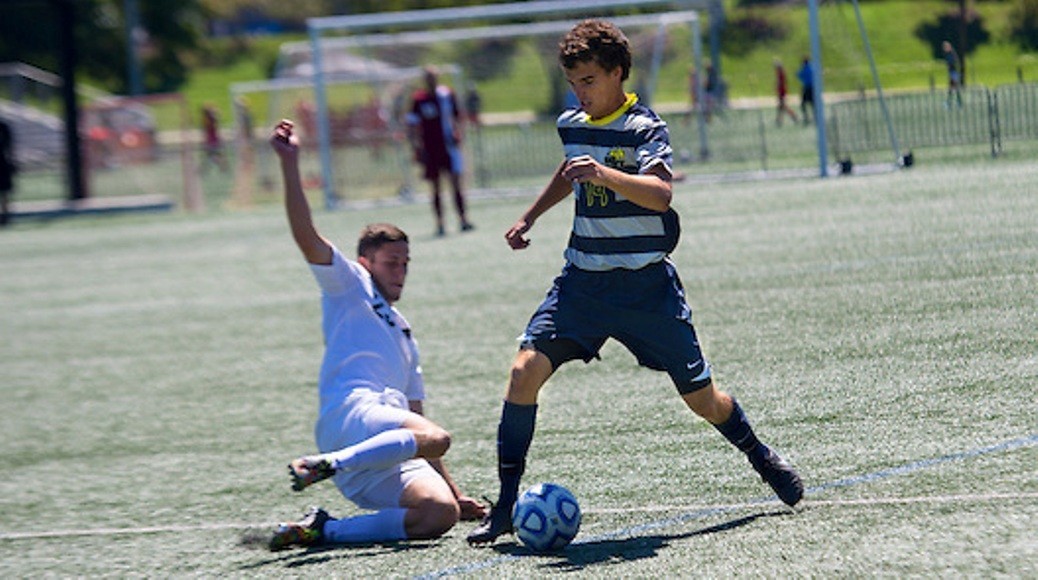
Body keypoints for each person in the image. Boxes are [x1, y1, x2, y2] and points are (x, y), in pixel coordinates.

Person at [466, 19, 804, 546]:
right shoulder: (572, 122)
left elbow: (660, 193)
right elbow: (568, 169)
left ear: (618, 73)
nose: (581, 92)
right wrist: (529, 217)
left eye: (590, 81)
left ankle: (760, 456)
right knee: (522, 373)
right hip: (582, 286)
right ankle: (506, 505)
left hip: (647, 290)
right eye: (574, 82)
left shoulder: (645, 127)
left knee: (702, 400)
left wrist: (605, 175)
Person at [266, 119, 486, 551]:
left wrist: (456, 496)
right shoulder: (350, 285)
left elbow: (420, 425)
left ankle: (321, 530)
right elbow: (306, 236)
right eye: (391, 262)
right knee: (440, 436)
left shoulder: (405, 333)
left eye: (406, 263)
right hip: (351, 418)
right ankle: (328, 463)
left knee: (438, 514)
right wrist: (290, 164)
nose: (401, 272)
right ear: (365, 262)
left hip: (382, 452)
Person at [406, 67, 473, 237]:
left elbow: (458, 118)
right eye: (428, 78)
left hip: (448, 148)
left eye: (433, 78)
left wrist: (459, 135)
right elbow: (412, 125)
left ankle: (463, 219)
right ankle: (440, 223)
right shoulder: (419, 100)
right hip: (430, 149)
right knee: (435, 188)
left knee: (456, 184)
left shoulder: (446, 95)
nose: (431, 81)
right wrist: (416, 147)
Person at [200, 103, 227, 173]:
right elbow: (217, 117)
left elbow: (212, 125)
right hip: (212, 140)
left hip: (211, 141)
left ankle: (220, 165)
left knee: (212, 155)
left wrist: (213, 111)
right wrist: (214, 112)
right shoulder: (209, 119)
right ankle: (221, 165)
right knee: (212, 155)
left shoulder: (208, 119)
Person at [0, 118, 16, 227]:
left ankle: (5, 215)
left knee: (4, 191)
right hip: (3, 162)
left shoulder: (3, 126)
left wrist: (11, 161)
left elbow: (10, 147)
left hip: (2, 162)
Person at [774, 59, 798, 127]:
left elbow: (780, 83)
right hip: (781, 91)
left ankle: (793, 116)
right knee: (780, 107)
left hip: (782, 92)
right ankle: (779, 120)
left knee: (783, 106)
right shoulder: (780, 73)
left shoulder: (781, 73)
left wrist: (777, 88)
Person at [942, 40, 963, 108]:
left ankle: (954, 102)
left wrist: (950, 66)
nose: (945, 49)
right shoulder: (948, 54)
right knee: (952, 88)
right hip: (952, 73)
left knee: (953, 88)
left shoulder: (952, 54)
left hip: (954, 73)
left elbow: (953, 63)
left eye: (946, 47)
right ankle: (955, 102)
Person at [797, 56, 815, 125]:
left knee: (803, 104)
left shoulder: (804, 68)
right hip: (813, 88)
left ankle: (806, 117)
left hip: (807, 88)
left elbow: (798, 74)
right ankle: (816, 117)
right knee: (813, 104)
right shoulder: (812, 66)